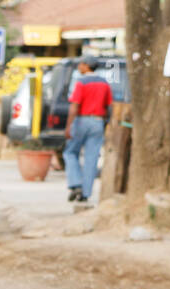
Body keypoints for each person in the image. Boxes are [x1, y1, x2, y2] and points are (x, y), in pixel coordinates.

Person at [62, 58, 112, 204]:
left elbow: (74, 106)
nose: (79, 66)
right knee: (91, 158)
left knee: (70, 152)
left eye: (81, 64)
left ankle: (75, 183)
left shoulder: (81, 82)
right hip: (98, 122)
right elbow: (109, 106)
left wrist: (68, 126)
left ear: (86, 66)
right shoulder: (104, 83)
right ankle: (85, 193)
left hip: (81, 120)